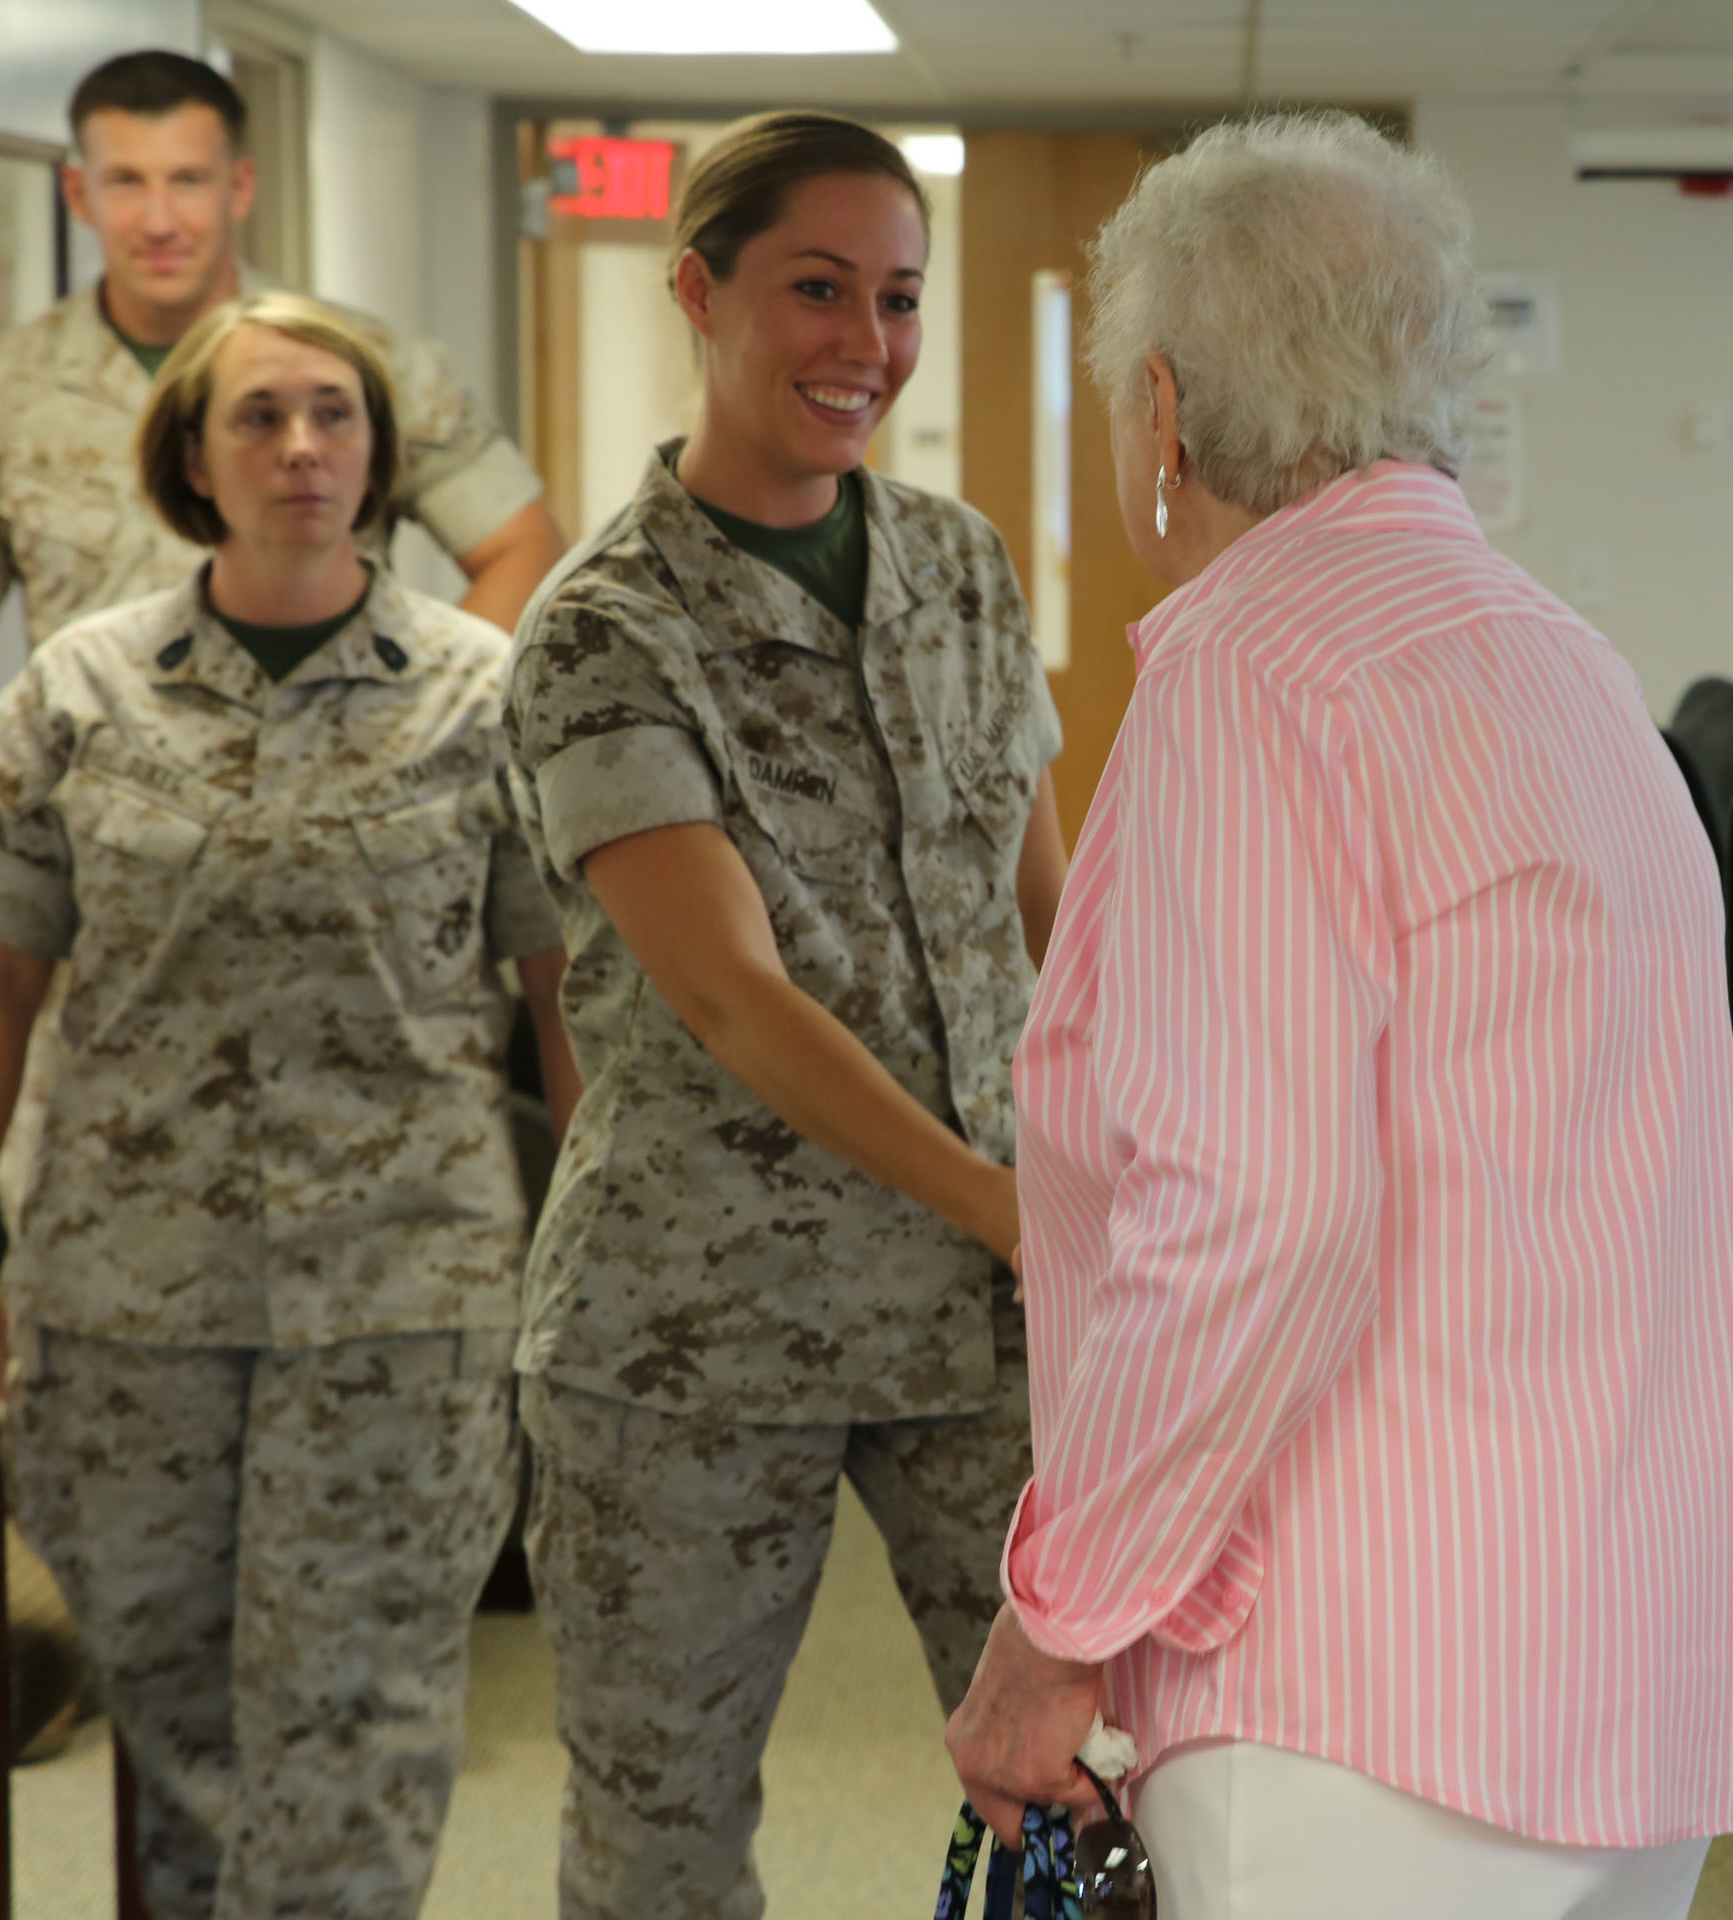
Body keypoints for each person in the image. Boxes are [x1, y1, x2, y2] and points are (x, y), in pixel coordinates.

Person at [945, 112, 1733, 1920]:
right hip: (1627, 1665)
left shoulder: (1250, 683)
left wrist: (1057, 1620)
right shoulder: (1561, 662)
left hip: (1368, 1707)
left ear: (1157, 416)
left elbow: (1251, 1216)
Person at [0, 290, 577, 1920]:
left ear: (380, 454)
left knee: (360, 1726)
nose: (302, 448)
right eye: (260, 417)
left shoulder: (485, 691)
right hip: (129, 1299)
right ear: (191, 459)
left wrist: (584, 1270)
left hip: (405, 1295)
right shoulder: (77, 691)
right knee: (180, 1718)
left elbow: (563, 1003)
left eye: (334, 414)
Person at [502, 111, 1069, 1920]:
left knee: (1087, 1789)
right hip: (690, 1332)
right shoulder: (604, 629)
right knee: (660, 1843)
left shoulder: (960, 566)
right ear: (698, 289)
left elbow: (1053, 906)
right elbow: (726, 995)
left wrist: (1113, 1160)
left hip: (982, 1322)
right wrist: (1003, 1202)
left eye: (895, 298)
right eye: (814, 288)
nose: (863, 345)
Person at [0, 48, 562, 831]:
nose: (160, 221)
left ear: (239, 186)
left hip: (339, 833)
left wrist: (415, 734)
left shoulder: (364, 371)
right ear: (79, 192)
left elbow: (525, 549)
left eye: (188, 180)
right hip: (115, 849)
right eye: (127, 182)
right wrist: (6, 827)